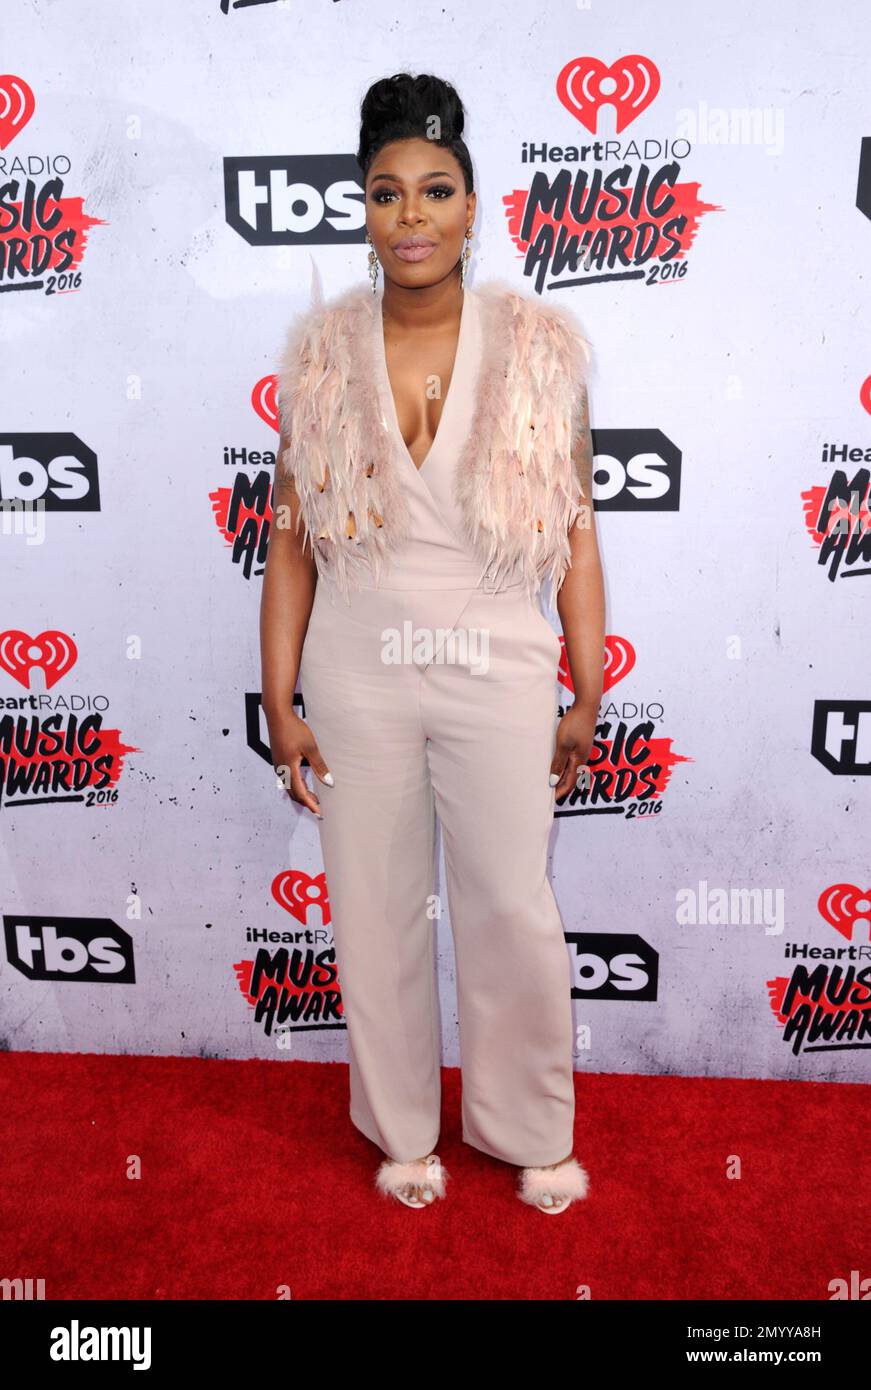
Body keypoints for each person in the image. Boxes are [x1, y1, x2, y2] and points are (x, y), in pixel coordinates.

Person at [260, 72, 605, 1215]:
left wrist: (586, 683)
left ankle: (530, 1128)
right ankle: (404, 1130)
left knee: (511, 903)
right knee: (373, 907)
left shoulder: (541, 349)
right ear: (363, 210)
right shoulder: (319, 357)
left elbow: (574, 529)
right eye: (385, 192)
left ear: (471, 204)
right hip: (356, 668)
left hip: (497, 660)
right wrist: (280, 697)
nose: (410, 215)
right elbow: (290, 541)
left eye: (435, 189)